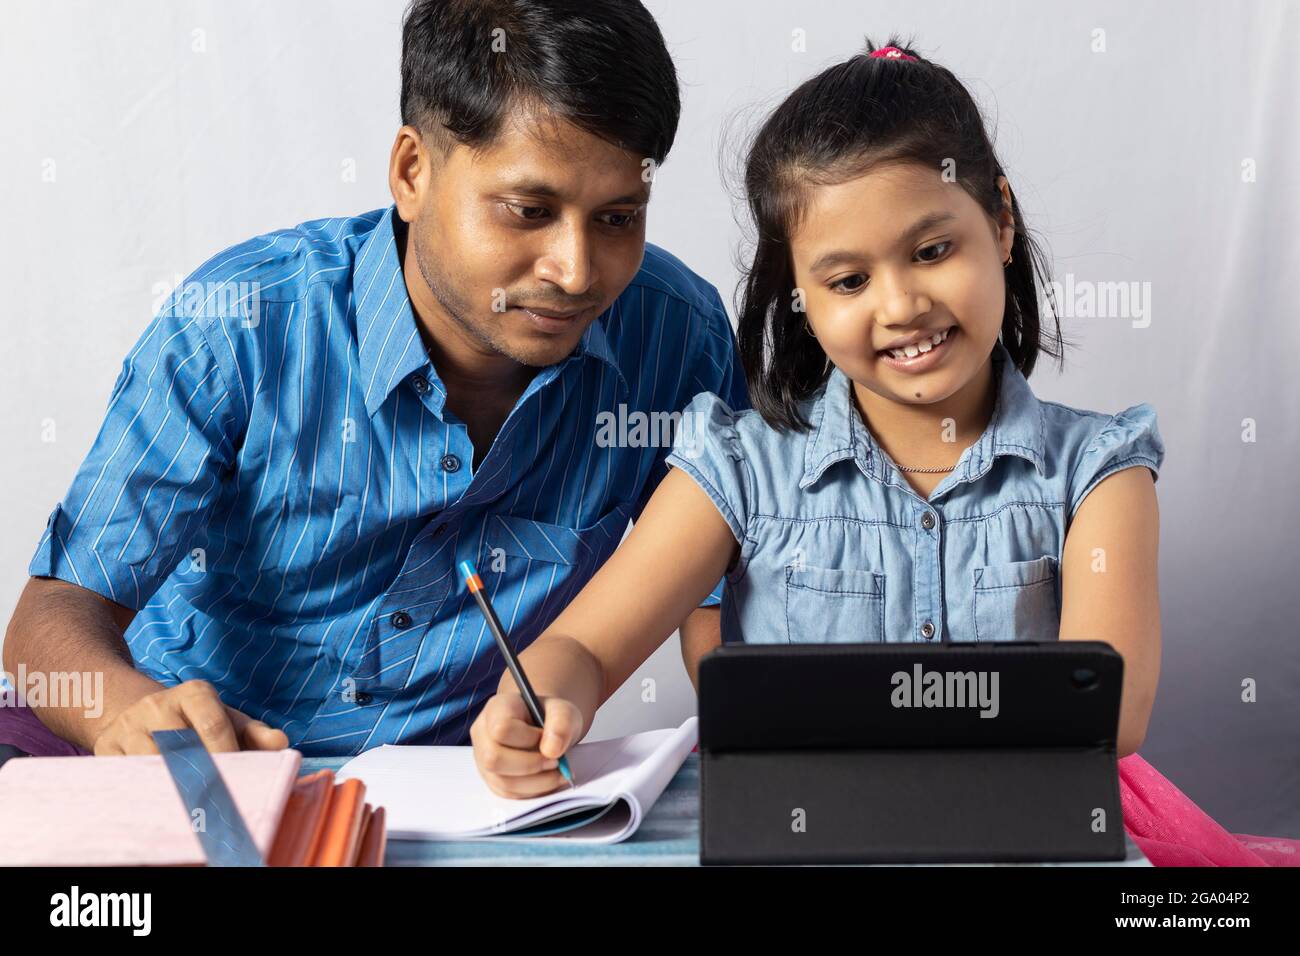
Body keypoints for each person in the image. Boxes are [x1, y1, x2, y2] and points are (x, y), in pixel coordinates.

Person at [468, 39, 1299, 867]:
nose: (900, 305)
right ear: (799, 295)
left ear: (1000, 221)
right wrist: (538, 697)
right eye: (848, 281)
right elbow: (584, 647)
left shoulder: (1097, 472)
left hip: (1026, 838)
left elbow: (1112, 713)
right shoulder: (738, 469)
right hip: (794, 837)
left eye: (932, 252)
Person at [0, 0, 745, 760]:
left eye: (618, 218)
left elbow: (714, 601)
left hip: (441, 805)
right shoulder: (238, 324)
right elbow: (51, 616)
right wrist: (124, 714)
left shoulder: (676, 336)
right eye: (529, 210)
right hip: (181, 773)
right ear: (412, 172)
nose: (576, 271)